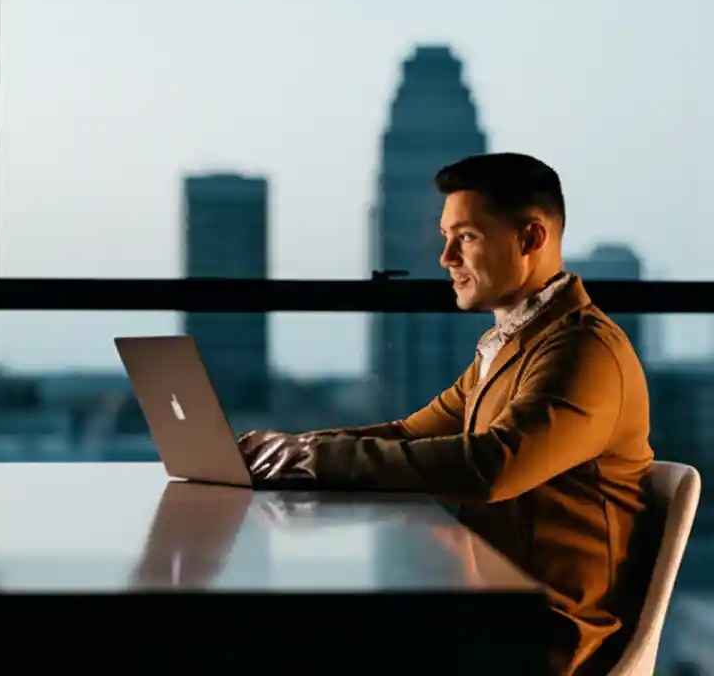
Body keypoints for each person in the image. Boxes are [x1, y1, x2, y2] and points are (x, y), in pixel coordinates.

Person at [237, 152, 656, 676]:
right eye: (446, 237)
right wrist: (295, 448)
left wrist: (310, 460)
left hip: (542, 640)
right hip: (483, 615)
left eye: (466, 238)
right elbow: (409, 433)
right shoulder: (509, 348)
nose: (446, 258)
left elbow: (492, 467)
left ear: (530, 239)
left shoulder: (584, 352)